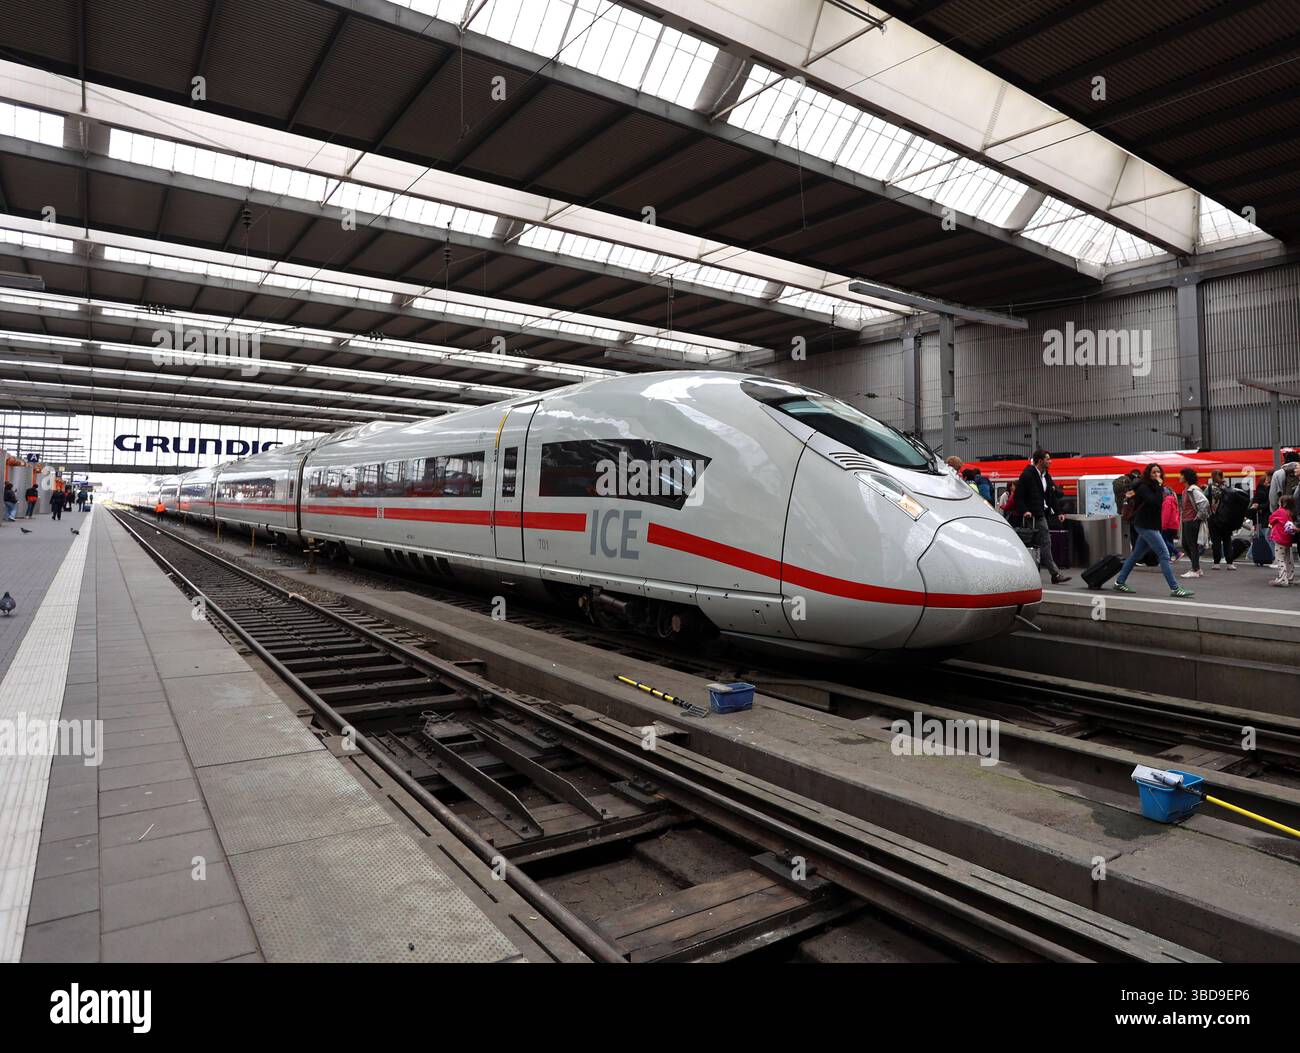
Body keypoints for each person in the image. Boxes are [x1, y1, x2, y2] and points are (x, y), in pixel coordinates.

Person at [1113, 463, 1194, 597]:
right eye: (1154, 472)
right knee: (1164, 554)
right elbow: (1154, 502)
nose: (1157, 475)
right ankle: (1175, 588)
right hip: (1146, 525)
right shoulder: (1144, 487)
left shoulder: (1151, 486)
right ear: (1148, 474)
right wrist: (1159, 485)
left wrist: (1158, 486)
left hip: (1149, 525)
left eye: (1159, 472)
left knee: (1135, 556)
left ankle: (1119, 582)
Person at [1015, 449, 1071, 584]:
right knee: (1046, 542)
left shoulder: (1046, 476)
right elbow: (1018, 496)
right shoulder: (1027, 474)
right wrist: (1025, 511)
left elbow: (1052, 498)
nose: (1050, 461)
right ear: (1040, 461)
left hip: (1043, 513)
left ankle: (1033, 572)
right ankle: (1055, 574)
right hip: (1034, 515)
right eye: (1048, 459)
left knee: (1037, 544)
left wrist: (1059, 512)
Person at [1178, 468, 1209, 578]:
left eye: (1181, 475)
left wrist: (1199, 516)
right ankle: (1196, 567)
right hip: (1187, 521)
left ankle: (1195, 569)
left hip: (1192, 521)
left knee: (1192, 546)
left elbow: (1204, 502)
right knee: (1186, 545)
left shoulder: (1193, 490)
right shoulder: (1186, 490)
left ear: (1186, 477)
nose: (1179, 477)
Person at [1269, 495, 1295, 586]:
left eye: (1279, 501)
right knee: (1288, 559)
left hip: (1279, 538)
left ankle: (1283, 579)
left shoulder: (1280, 511)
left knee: (1280, 559)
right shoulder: (1290, 513)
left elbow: (1271, 519)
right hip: (1287, 539)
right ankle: (1290, 577)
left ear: (1283, 503)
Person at [1160, 485, 1181, 559]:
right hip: (1174, 524)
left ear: (1165, 493)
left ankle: (1177, 552)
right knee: (1169, 540)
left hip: (1168, 524)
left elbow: (1166, 514)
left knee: (1163, 540)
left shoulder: (1167, 501)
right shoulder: (1173, 500)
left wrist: (1164, 525)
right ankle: (1169, 557)